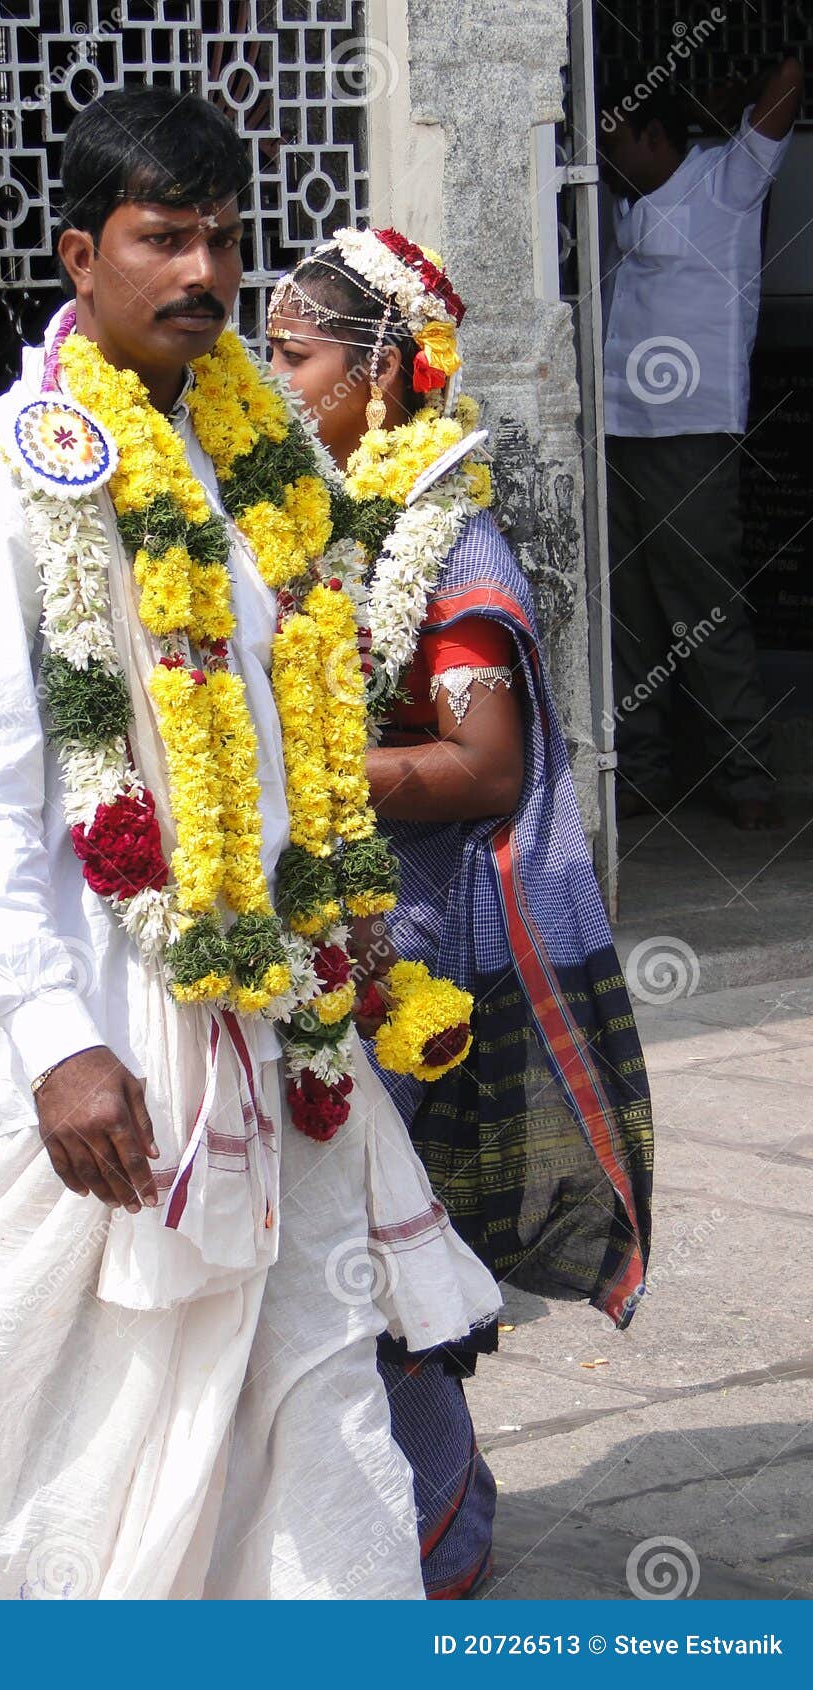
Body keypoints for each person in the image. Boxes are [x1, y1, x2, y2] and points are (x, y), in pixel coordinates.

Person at [0, 88, 500, 1602]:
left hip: (276, 1011)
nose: (203, 273)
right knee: (47, 1417)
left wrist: (340, 906)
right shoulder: (2, 488)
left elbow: (294, 723)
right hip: (114, 1037)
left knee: (313, 1377)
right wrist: (57, 1042)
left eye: (226, 241)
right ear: (81, 253)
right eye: (162, 238)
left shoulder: (254, 458)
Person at [267, 227, 656, 1596]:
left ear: (383, 369)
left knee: (371, 1244)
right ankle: (408, 1511)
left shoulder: (454, 541)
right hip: (355, 925)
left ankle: (438, 1524)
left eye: (294, 357)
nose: (275, 385)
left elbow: (483, 765)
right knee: (352, 1246)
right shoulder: (339, 519)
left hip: (419, 945)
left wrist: (287, 764)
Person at [598, 58, 803, 830]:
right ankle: (640, 772)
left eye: (619, 137)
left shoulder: (726, 181)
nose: (606, 155)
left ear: (656, 133)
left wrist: (727, 98)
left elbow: (786, 82)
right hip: (614, 430)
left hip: (691, 435)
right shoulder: (614, 199)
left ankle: (746, 772)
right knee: (626, 614)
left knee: (705, 608)